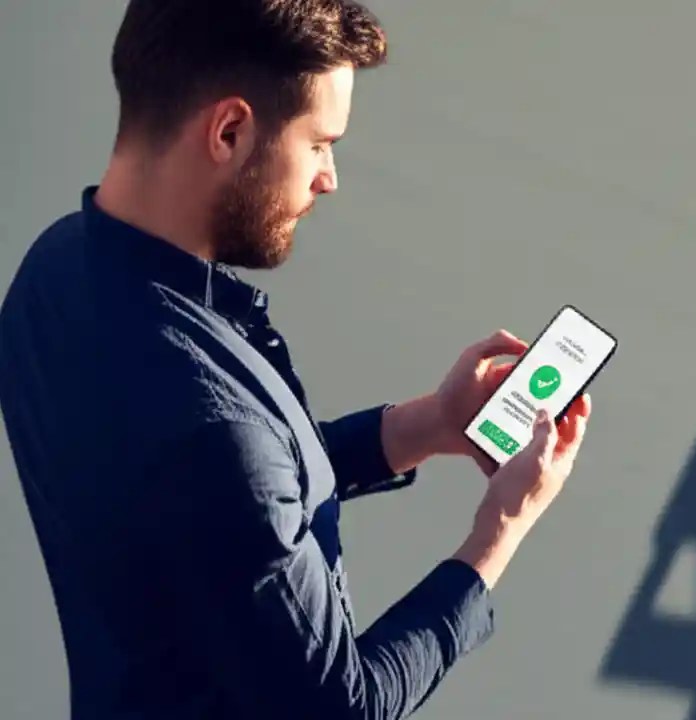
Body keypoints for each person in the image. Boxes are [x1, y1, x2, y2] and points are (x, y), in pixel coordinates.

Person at [0, 1, 592, 718]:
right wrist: (499, 530)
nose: (329, 178)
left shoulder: (51, 271)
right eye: (319, 143)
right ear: (229, 130)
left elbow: (226, 514)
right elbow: (344, 705)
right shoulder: (210, 430)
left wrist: (427, 426)